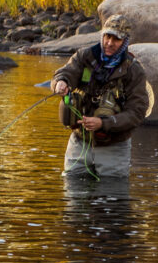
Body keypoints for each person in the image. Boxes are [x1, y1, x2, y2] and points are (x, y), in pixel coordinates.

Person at [51, 13, 152, 177]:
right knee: (73, 191)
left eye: (116, 39)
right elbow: (65, 73)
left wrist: (103, 123)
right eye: (107, 37)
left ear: (125, 41)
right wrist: (60, 82)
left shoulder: (134, 71)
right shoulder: (85, 56)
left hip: (114, 146)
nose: (109, 43)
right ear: (102, 35)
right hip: (80, 141)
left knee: (110, 196)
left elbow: (137, 113)